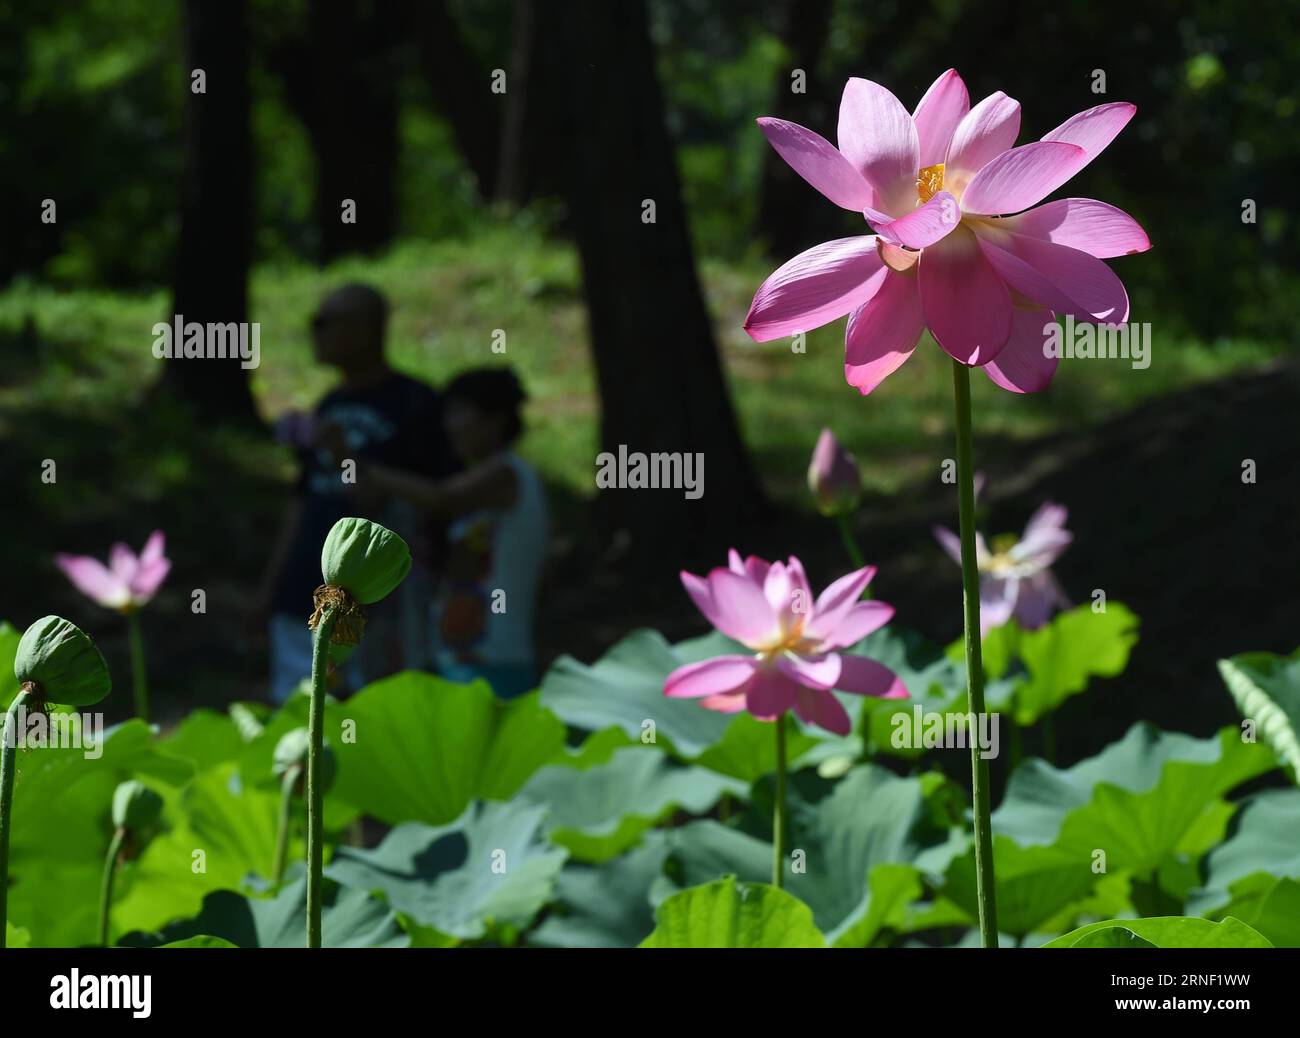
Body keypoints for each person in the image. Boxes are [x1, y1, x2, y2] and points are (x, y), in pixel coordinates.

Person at [253, 283, 457, 702]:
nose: (316, 332)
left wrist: (346, 454)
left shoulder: (416, 404)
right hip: (302, 590)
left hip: (377, 603)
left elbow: (416, 503)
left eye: (326, 322)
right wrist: (271, 587)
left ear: (368, 329)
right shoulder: (329, 404)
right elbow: (302, 499)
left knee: (365, 714)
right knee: (296, 715)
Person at [335, 367, 548, 699]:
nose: (449, 425)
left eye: (460, 413)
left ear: (496, 420)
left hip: (495, 655)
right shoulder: (482, 478)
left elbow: (440, 498)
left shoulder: (507, 474)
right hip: (463, 652)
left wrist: (362, 466)